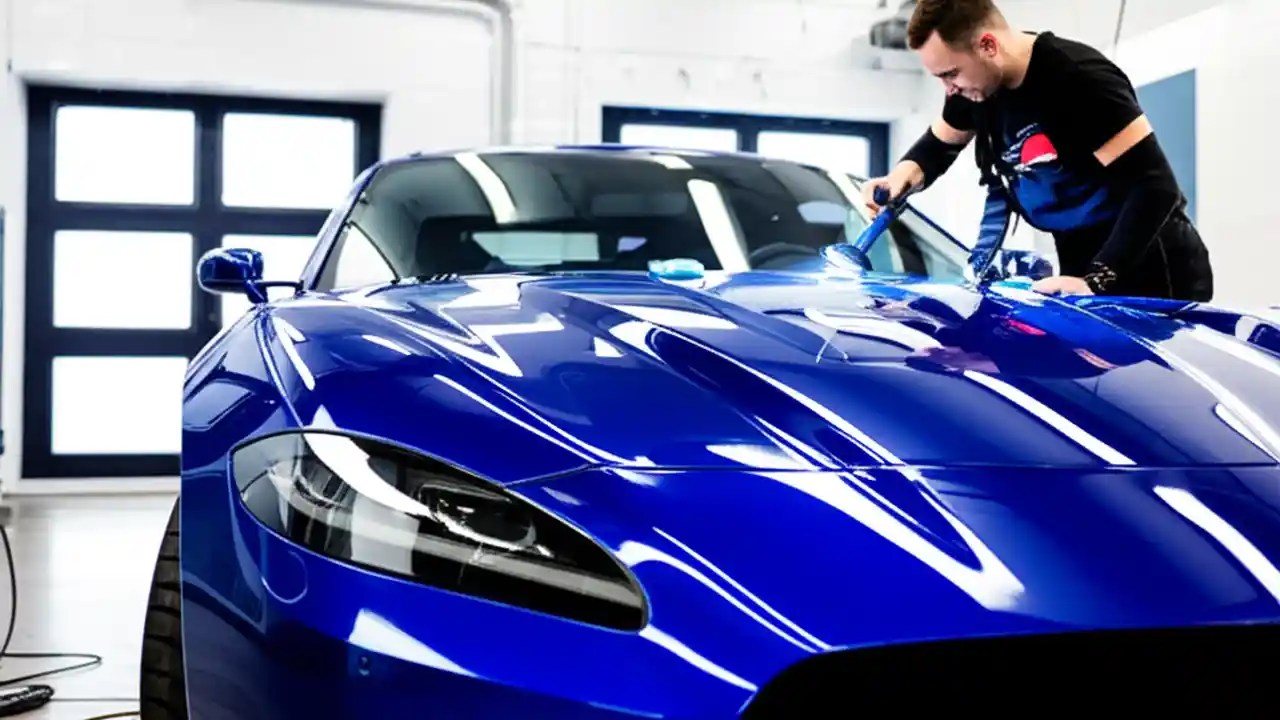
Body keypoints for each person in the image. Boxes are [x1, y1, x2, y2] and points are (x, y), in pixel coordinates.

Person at [864, 0, 1213, 301]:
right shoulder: (975, 88)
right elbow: (938, 146)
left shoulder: (1077, 79)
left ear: (988, 46)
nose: (948, 88)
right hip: (1080, 252)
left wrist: (1098, 280)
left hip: (1150, 260)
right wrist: (897, 178)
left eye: (950, 73)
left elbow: (1155, 187)